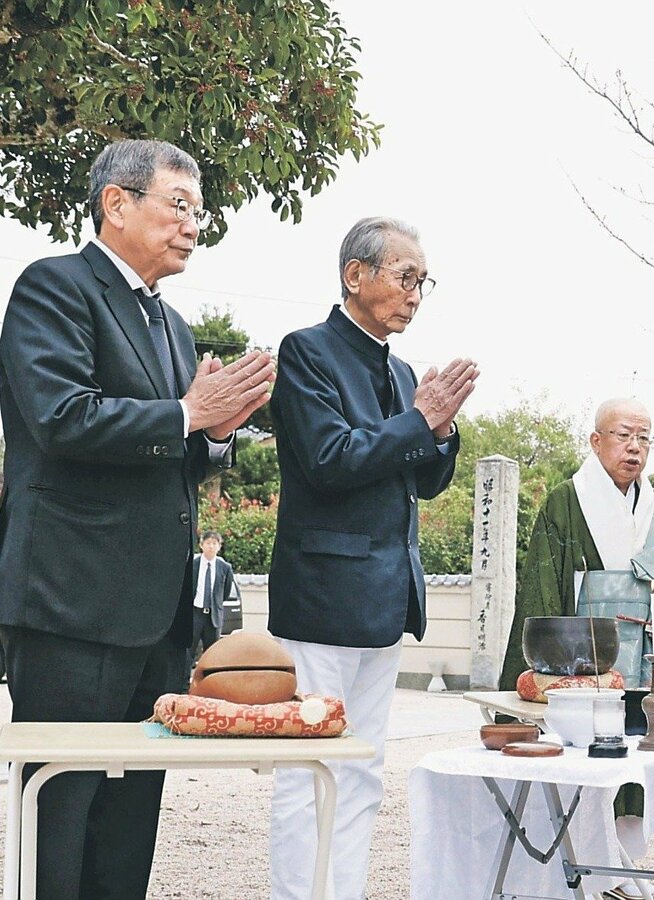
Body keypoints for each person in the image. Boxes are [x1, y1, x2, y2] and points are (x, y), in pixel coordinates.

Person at [0, 138, 274, 899]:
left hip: (155, 615)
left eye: (200, 211)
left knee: (130, 821)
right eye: (177, 206)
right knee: (58, 815)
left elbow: (177, 457)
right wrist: (188, 412)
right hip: (71, 604)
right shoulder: (53, 289)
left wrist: (216, 433)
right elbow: (61, 418)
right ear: (116, 204)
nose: (193, 225)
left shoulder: (174, 327)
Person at [267, 216, 476, 900]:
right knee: (309, 768)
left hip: (388, 596)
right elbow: (329, 461)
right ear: (355, 276)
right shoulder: (307, 353)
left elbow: (421, 481)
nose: (416, 294)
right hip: (324, 594)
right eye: (405, 276)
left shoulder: (404, 369)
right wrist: (419, 422)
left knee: (361, 770)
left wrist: (440, 434)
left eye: (424, 282)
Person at [499, 397, 654, 900]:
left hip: (644, 659)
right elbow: (543, 590)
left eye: (644, 438)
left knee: (635, 759)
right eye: (623, 435)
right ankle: (590, 869)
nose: (634, 448)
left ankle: (625, 865)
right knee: (586, 762)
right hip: (583, 659)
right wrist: (552, 663)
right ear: (595, 441)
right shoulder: (567, 502)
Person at [191, 530, 235, 663]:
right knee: (189, 651)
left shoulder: (225, 568)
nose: (211, 546)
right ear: (201, 545)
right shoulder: (193, 565)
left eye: (214, 543)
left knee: (212, 654)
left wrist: (216, 604)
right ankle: (184, 682)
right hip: (195, 614)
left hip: (213, 616)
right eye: (208, 543)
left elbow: (225, 592)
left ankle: (209, 681)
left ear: (219, 546)